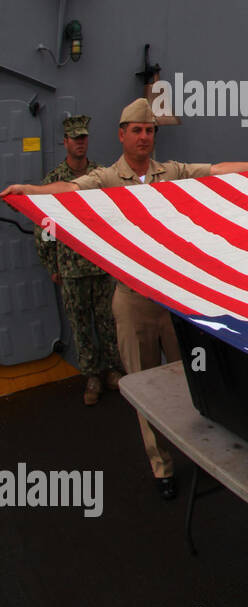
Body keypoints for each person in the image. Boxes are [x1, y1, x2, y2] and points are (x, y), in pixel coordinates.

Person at [3, 99, 248, 500]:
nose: (144, 137)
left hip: (171, 303)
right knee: (145, 391)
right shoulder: (106, 178)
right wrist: (31, 190)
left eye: (150, 130)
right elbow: (67, 190)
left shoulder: (168, 173)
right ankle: (162, 466)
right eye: (136, 130)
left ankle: (197, 457)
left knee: (185, 384)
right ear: (122, 135)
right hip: (132, 303)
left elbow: (212, 170)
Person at [33, 115, 123, 405]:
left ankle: (112, 370)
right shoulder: (54, 181)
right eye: (75, 138)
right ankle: (92, 377)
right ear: (65, 142)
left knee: (107, 322)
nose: (80, 143)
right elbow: (45, 227)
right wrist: (52, 265)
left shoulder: (102, 176)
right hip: (71, 269)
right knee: (81, 325)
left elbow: (114, 218)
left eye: (84, 137)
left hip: (101, 265)